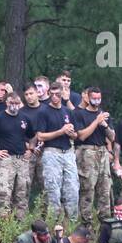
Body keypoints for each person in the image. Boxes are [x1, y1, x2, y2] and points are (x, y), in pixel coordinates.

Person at [37, 82, 80, 224]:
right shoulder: (43, 111)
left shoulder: (67, 111)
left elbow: (76, 135)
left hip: (68, 152)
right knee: (53, 191)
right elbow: (40, 136)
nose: (55, 97)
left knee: (73, 189)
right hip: (52, 152)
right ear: (49, 94)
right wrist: (61, 131)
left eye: (58, 94)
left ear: (62, 94)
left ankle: (72, 224)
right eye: (52, 94)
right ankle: (53, 225)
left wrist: (70, 132)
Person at [0, 91, 35, 219]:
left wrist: (30, 149)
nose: (14, 105)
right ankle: (3, 226)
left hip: (22, 160)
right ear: (7, 103)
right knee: (3, 194)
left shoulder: (25, 118)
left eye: (17, 103)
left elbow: (32, 136)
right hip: (5, 160)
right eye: (12, 103)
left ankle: (20, 225)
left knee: (22, 194)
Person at [72, 86, 113, 223]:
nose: (96, 101)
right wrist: (96, 121)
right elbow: (81, 136)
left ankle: (105, 224)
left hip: (102, 152)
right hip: (86, 152)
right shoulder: (79, 114)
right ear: (87, 98)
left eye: (99, 98)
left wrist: (105, 125)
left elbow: (112, 137)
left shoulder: (103, 114)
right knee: (87, 189)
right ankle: (86, 225)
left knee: (105, 190)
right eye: (94, 98)